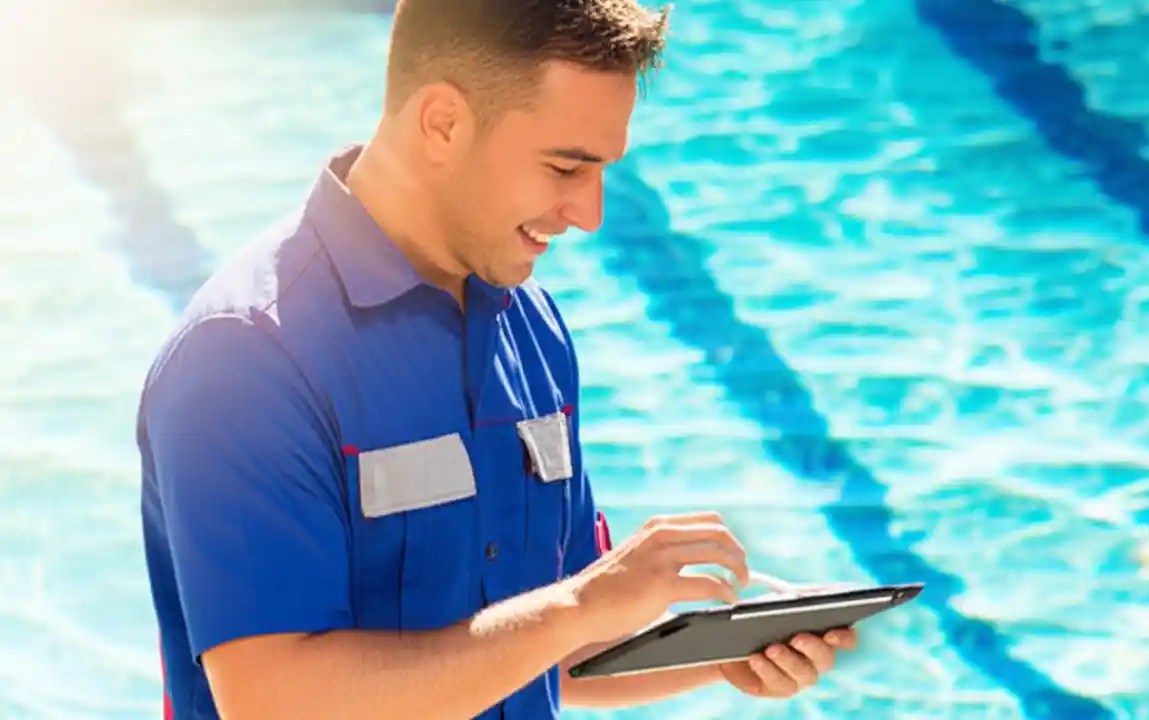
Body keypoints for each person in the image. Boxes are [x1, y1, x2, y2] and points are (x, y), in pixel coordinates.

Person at [136, 0, 858, 717]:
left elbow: (553, 655)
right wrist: (579, 605)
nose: (590, 215)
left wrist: (721, 652)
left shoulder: (531, 329)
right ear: (442, 123)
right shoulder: (244, 359)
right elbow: (274, 702)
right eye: (565, 167)